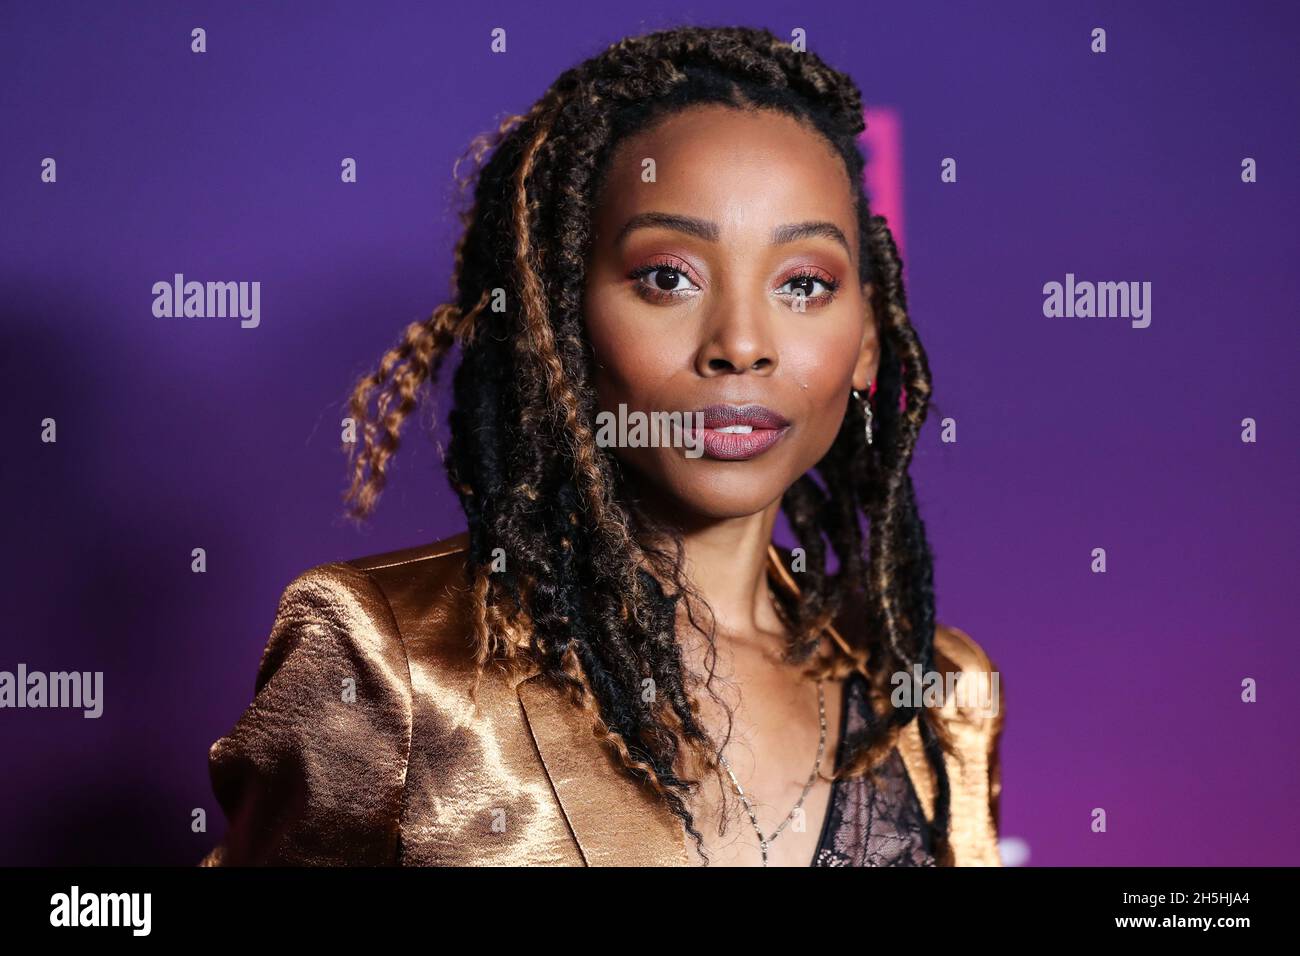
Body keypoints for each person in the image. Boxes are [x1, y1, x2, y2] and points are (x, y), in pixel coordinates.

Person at [200, 24, 1004, 867]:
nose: (741, 342)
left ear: (868, 339)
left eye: (803, 284)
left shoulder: (936, 690)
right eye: (668, 277)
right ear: (559, 320)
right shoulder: (390, 660)